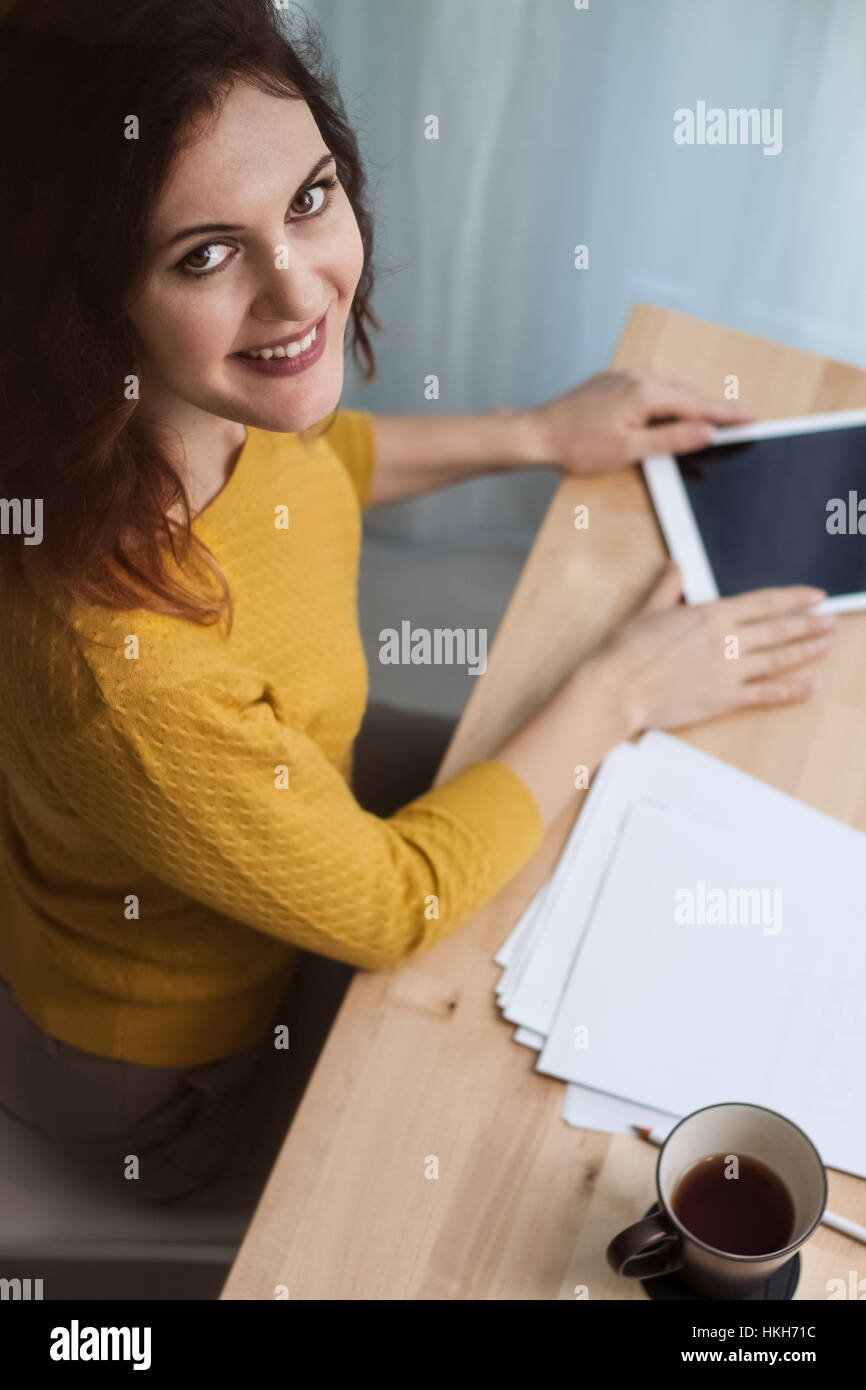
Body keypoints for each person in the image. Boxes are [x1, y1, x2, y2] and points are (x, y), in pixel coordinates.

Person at [0, 0, 835, 1212]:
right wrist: (622, 684)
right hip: (181, 1078)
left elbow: (325, 464)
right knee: (527, 1146)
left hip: (292, 800)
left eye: (308, 197)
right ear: (83, 304)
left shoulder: (194, 416)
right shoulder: (121, 675)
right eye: (202, 254)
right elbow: (395, 908)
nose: (299, 293)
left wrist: (540, 432)